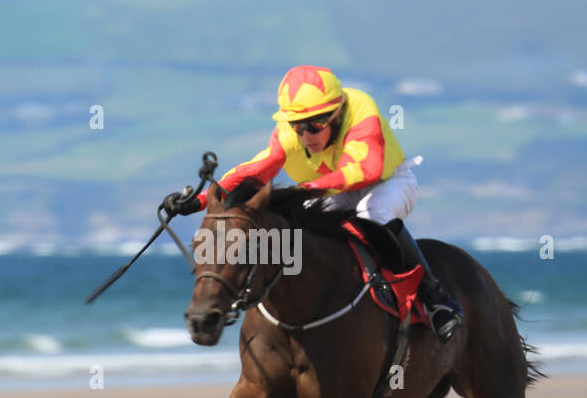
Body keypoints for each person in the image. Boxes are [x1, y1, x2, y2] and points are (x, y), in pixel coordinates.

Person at [164, 64, 463, 342]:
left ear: (337, 115)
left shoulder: (361, 111)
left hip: (389, 182)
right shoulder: (291, 134)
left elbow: (365, 170)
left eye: (314, 126)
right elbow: (254, 170)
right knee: (299, 226)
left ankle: (436, 298)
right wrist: (199, 201)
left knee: (371, 212)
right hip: (336, 191)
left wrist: (308, 189)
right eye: (298, 127)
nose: (305, 135)